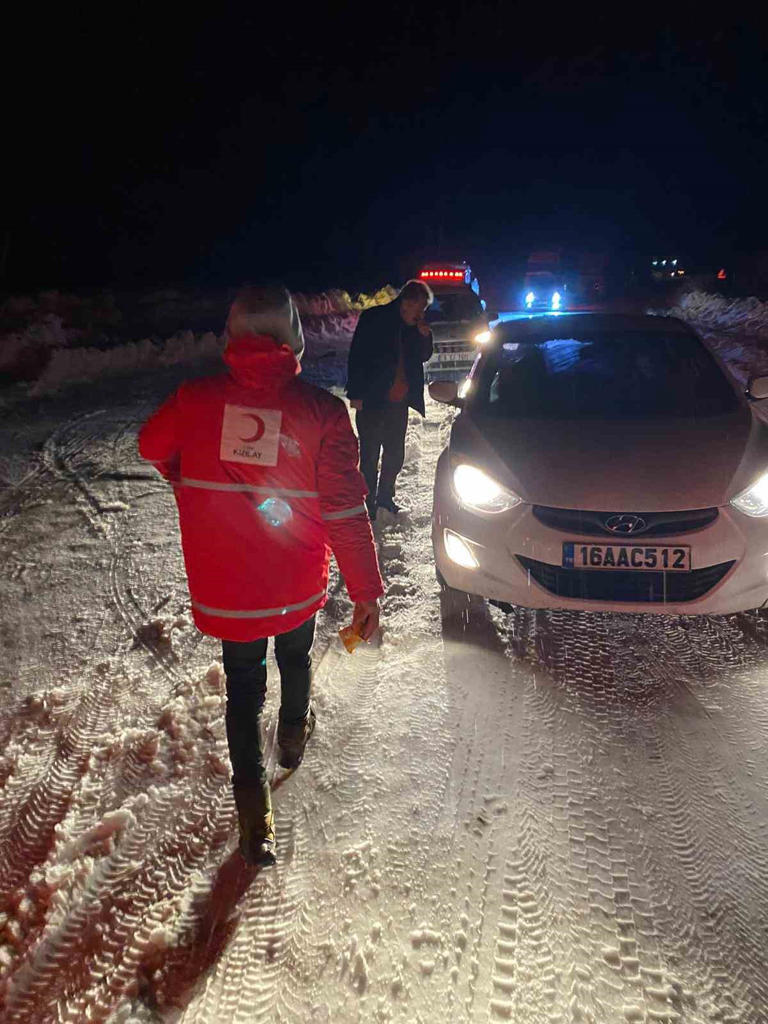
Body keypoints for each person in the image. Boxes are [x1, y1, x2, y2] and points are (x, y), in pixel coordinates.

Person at [138, 285, 383, 867]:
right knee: (295, 659)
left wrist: (182, 474)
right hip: (295, 580)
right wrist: (366, 591)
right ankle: (294, 738)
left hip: (228, 589)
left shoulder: (194, 400)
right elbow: (345, 511)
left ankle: (255, 823)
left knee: (243, 693)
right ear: (294, 339)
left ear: (233, 337)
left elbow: (151, 445)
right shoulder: (321, 412)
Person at [346, 279, 434, 518]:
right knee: (370, 454)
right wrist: (355, 394)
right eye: (420, 308)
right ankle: (367, 502)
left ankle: (385, 497)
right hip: (373, 399)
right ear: (406, 302)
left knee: (395, 454)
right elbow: (357, 356)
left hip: (399, 402)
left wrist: (425, 336)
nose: (421, 313)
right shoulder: (374, 318)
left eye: (424, 309)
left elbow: (423, 356)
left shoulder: (414, 327)